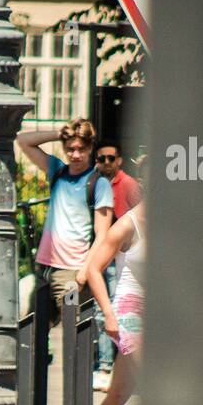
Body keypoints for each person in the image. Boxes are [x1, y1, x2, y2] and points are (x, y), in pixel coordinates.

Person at [15, 118, 114, 326]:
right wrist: (60, 133)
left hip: (72, 272)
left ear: (90, 148)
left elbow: (103, 234)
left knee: (74, 333)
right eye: (70, 149)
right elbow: (23, 140)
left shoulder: (98, 183)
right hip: (45, 268)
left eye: (81, 148)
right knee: (36, 334)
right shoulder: (57, 171)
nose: (75, 155)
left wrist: (84, 272)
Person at [84, 200, 147, 405]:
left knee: (119, 393)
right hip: (129, 311)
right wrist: (109, 314)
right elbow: (94, 268)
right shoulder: (128, 224)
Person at [91, 140, 143, 391]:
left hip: (127, 255)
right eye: (101, 159)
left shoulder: (128, 185)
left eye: (111, 158)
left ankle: (104, 367)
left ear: (119, 160)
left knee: (115, 399)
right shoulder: (100, 182)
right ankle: (103, 365)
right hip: (123, 258)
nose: (106, 163)